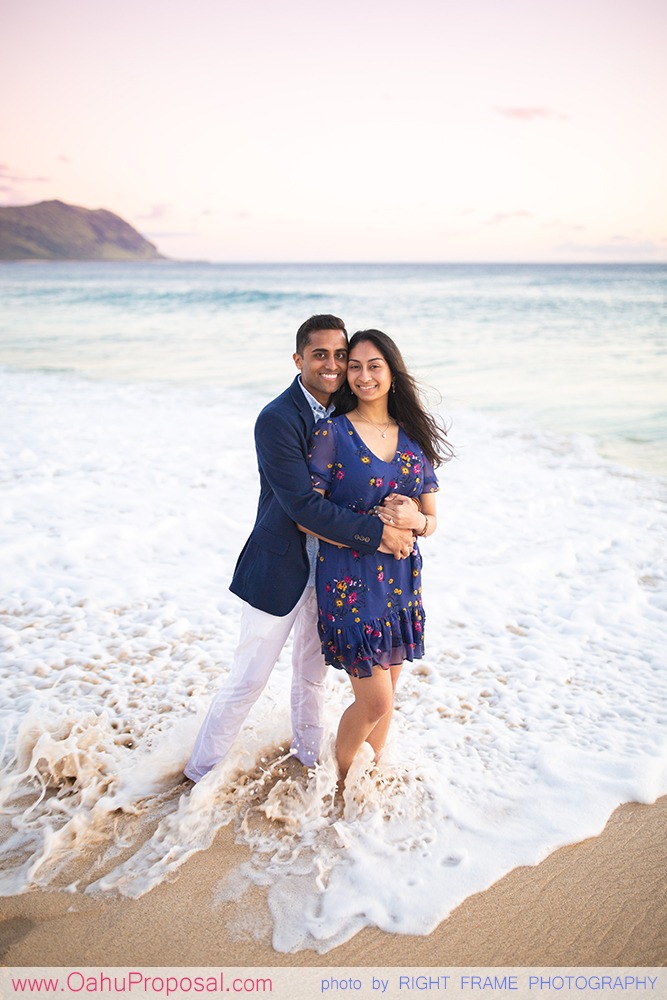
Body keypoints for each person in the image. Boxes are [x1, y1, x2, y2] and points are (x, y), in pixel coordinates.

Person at [184, 316, 414, 783]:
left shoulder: (352, 413)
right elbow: (302, 505)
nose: (332, 365)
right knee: (248, 679)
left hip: (334, 570)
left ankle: (309, 760)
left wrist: (413, 516)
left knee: (311, 675)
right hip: (280, 566)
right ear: (299, 359)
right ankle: (199, 772)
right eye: (320, 355)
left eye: (339, 356)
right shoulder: (277, 418)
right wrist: (381, 534)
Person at [306, 329, 453, 782]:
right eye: (355, 366)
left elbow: (432, 519)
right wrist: (376, 529)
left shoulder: (413, 436)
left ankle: (369, 783)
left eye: (374, 366)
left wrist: (414, 520)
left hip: (401, 580)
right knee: (376, 700)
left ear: (392, 372)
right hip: (348, 580)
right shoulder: (332, 433)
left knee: (389, 688)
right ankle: (339, 782)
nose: (364, 375)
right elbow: (307, 515)